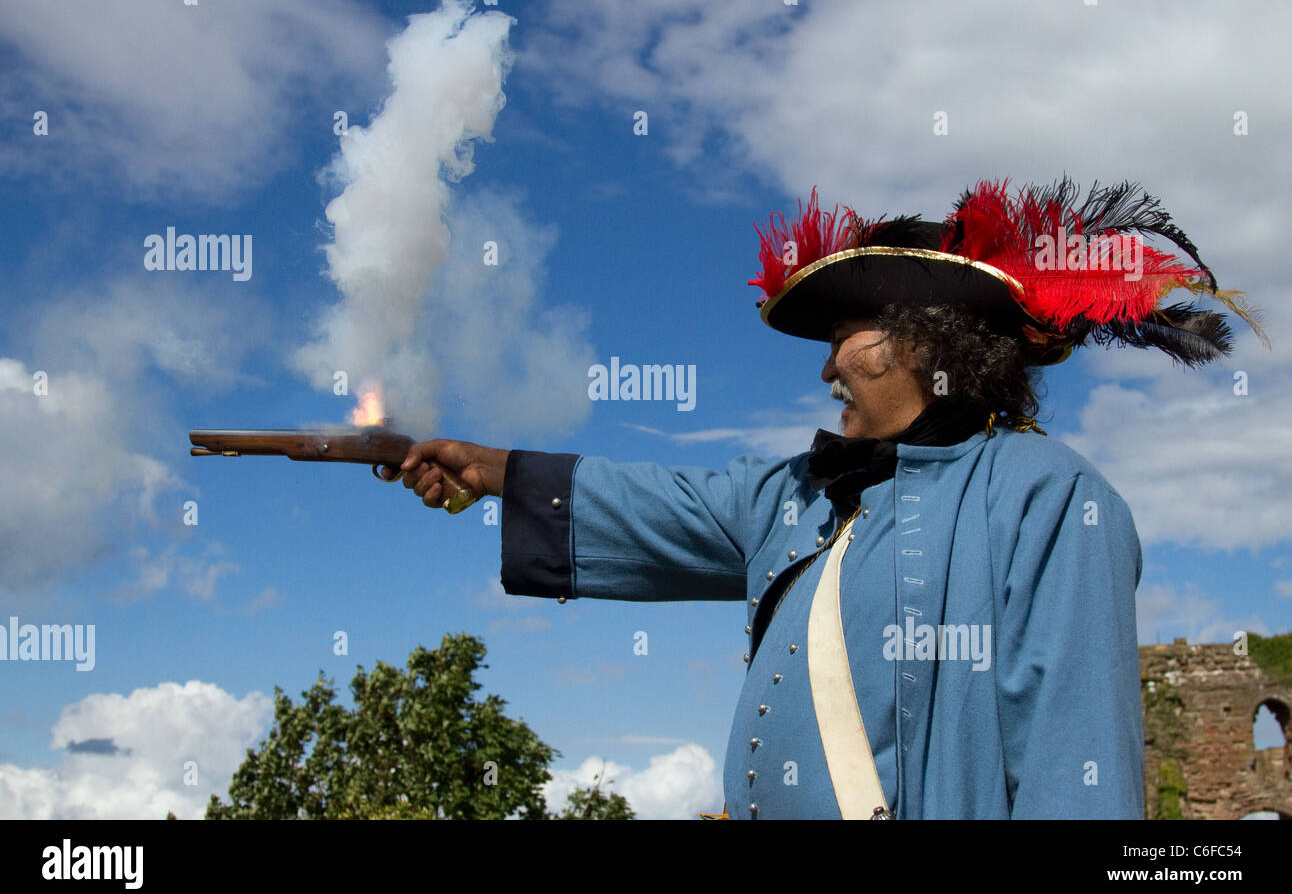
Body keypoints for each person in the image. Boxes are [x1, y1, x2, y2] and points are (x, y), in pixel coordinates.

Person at [397, 178, 1265, 819]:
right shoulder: (794, 495)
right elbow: (654, 501)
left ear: (924, 336)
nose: (824, 366)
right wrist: (489, 469)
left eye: (846, 332)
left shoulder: (1053, 499)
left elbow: (1079, 778)